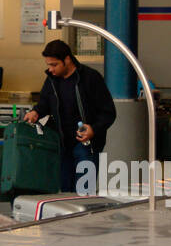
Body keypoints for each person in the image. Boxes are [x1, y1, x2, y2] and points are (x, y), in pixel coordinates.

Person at [23, 39, 116, 193]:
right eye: (48, 65)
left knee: (83, 191)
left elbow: (108, 112)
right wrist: (36, 112)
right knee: (65, 191)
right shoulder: (52, 80)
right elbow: (45, 102)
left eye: (54, 65)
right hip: (62, 145)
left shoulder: (90, 78)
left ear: (67, 60)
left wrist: (93, 129)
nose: (50, 69)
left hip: (86, 145)